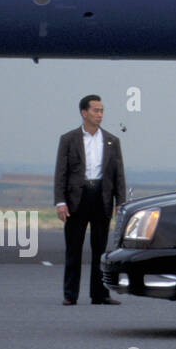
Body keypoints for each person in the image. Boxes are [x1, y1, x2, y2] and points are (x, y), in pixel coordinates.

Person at [54, 94, 126, 305]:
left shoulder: (112, 141)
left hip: (101, 198)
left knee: (100, 250)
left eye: (102, 110)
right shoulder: (68, 140)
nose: (100, 114)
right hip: (77, 199)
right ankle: (70, 294)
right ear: (84, 113)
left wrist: (120, 202)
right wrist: (60, 201)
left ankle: (100, 293)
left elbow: (118, 175)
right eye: (95, 110)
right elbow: (61, 173)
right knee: (73, 249)